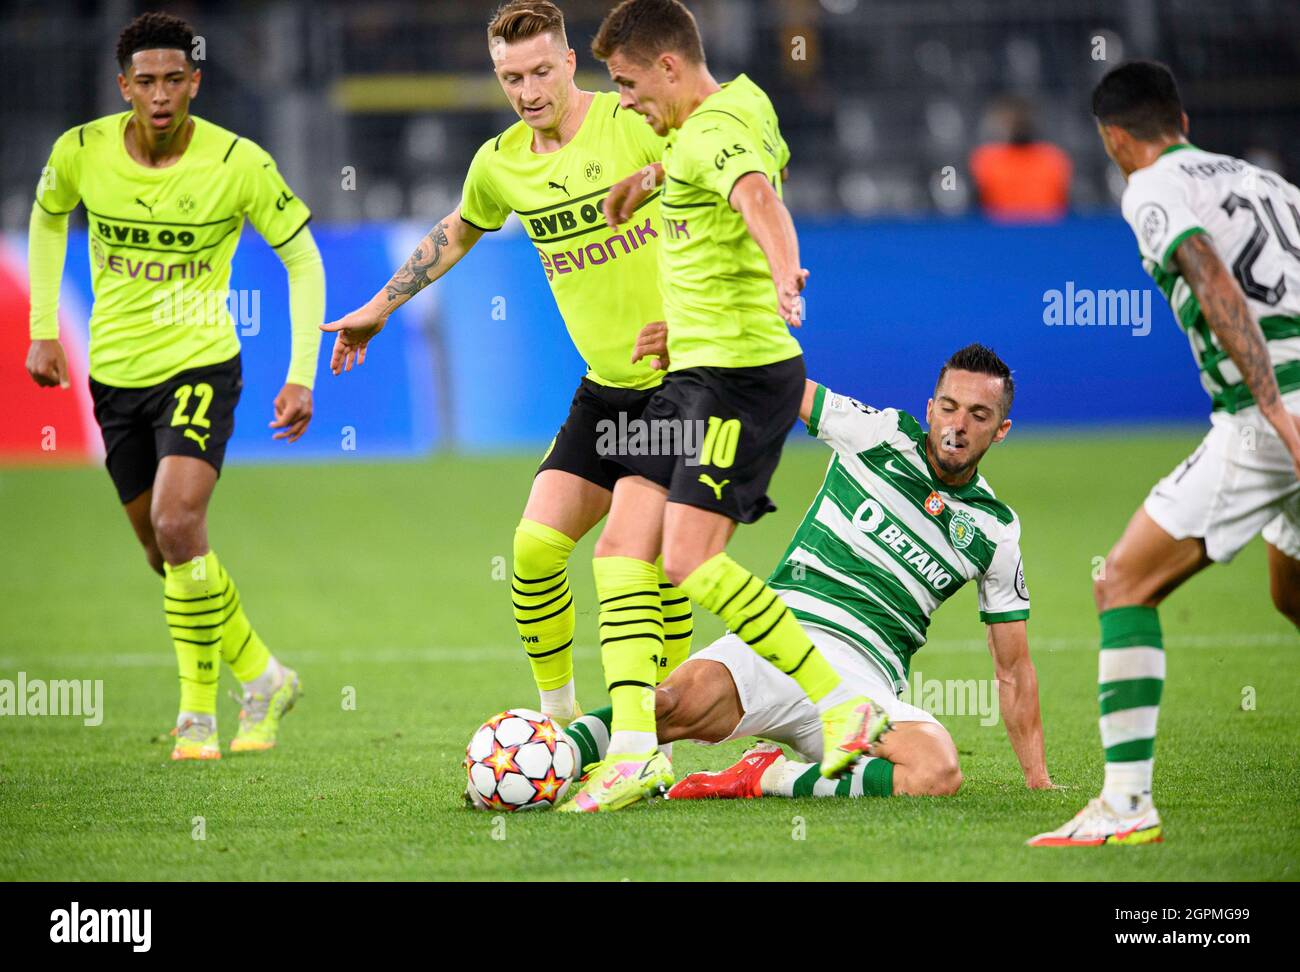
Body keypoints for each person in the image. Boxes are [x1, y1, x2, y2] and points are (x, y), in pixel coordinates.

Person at [320, 1, 693, 731]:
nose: (527, 91)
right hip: (607, 389)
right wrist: (381, 304)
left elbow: (722, 184)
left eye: (540, 72)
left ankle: (657, 735)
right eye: (510, 77)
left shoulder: (635, 126)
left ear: (570, 64)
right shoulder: (501, 163)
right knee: (533, 550)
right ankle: (555, 724)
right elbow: (460, 228)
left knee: (643, 567)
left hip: (682, 388)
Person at [560, 0, 887, 813]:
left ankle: (840, 701)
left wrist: (786, 274)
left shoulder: (710, 135)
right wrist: (650, 181)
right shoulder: (737, 104)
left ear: (669, 66)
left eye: (630, 84)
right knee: (619, 550)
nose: (625, 102)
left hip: (738, 383)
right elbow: (714, 174)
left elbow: (756, 201)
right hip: (695, 372)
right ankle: (635, 749)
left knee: (688, 563)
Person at [24, 12, 324, 759]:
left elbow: (305, 260)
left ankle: (196, 717)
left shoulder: (239, 163)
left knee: (178, 522)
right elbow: (46, 214)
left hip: (200, 367)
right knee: (166, 555)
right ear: (124, 85)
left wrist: (299, 374)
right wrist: (40, 327)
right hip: (116, 378)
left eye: (173, 80)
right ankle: (264, 676)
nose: (160, 95)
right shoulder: (81, 151)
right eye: (145, 81)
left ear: (196, 82)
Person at [564, 347, 1051, 801]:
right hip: (776, 642)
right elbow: (778, 382)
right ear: (929, 407)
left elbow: (1013, 670)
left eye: (978, 415)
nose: (958, 424)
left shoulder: (995, 529)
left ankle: (769, 775)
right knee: (664, 706)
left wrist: (1038, 780)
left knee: (936, 771)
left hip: (862, 681)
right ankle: (547, 754)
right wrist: (695, 348)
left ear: (1001, 429)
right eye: (949, 407)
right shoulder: (879, 435)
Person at [1029, 61, 1300, 847]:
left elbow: (1209, 273)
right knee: (1291, 596)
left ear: (1115, 138)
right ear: (1180, 117)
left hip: (1266, 420)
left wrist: (1276, 410)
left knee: (1122, 581)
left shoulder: (1149, 187)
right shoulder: (1269, 182)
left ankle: (1125, 805)